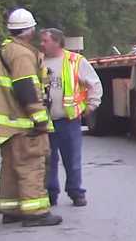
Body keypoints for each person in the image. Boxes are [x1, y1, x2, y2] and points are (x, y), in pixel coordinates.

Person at [0, 8, 62, 226]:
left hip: (9, 124)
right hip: (23, 123)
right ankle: (36, 213)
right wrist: (39, 118)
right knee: (31, 164)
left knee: (11, 167)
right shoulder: (23, 54)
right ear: (28, 30)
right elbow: (25, 87)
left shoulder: (8, 49)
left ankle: (13, 209)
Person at [40, 28, 102, 207]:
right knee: (48, 161)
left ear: (57, 42)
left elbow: (94, 84)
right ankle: (51, 193)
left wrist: (92, 105)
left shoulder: (75, 61)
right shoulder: (38, 61)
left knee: (72, 160)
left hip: (69, 120)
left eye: (45, 41)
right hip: (46, 121)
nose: (41, 44)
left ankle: (76, 192)